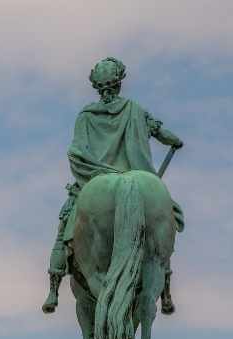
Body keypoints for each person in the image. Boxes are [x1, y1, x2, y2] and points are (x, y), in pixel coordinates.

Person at [44, 57, 184, 314]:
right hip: (136, 173)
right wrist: (175, 142)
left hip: (94, 178)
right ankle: (165, 289)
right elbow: (163, 134)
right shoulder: (135, 109)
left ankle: (53, 288)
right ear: (120, 84)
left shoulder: (86, 115)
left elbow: (77, 150)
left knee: (64, 226)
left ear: (97, 87)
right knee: (163, 225)